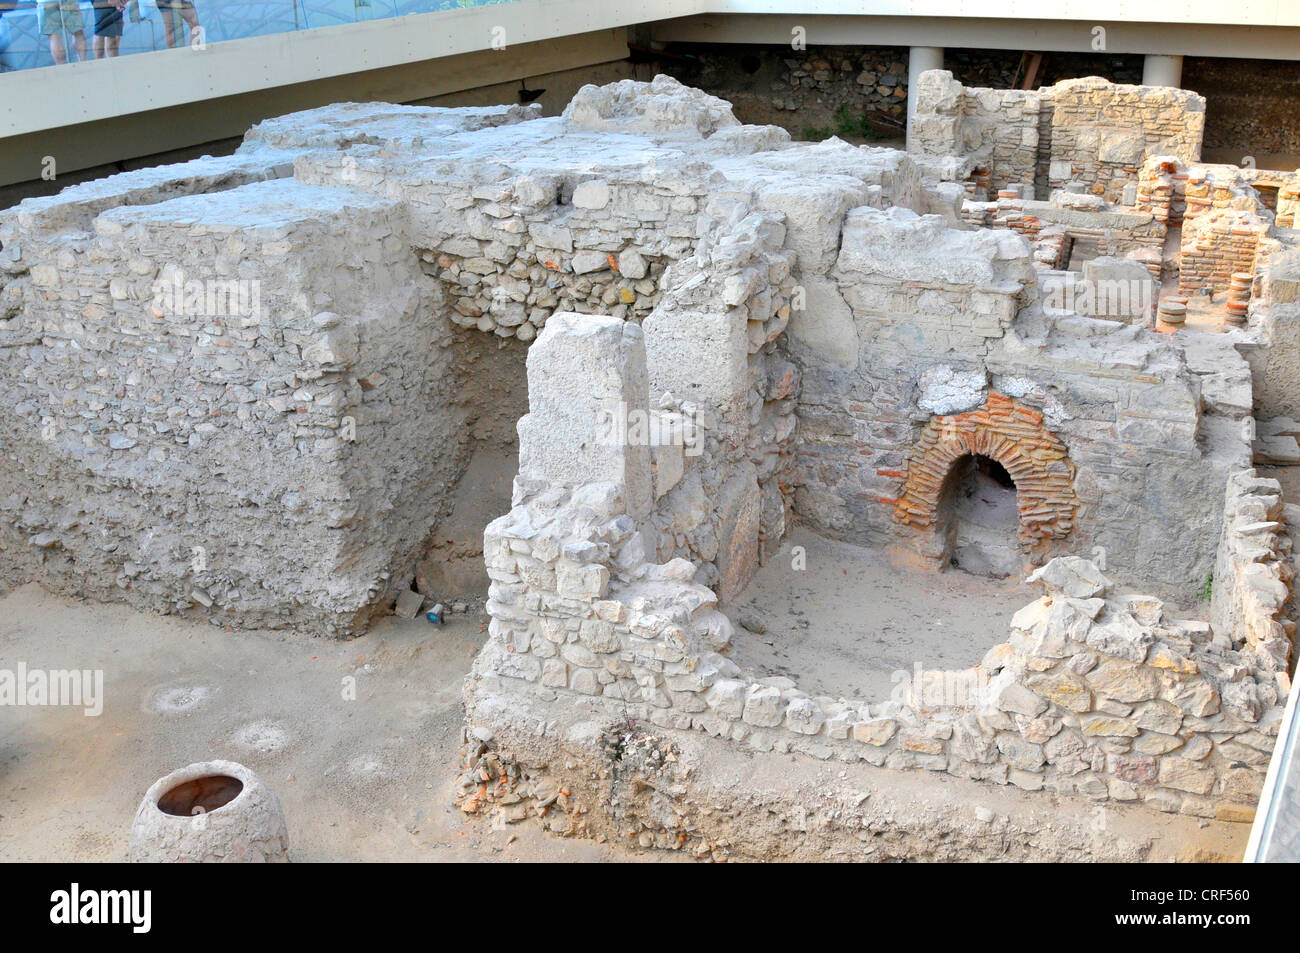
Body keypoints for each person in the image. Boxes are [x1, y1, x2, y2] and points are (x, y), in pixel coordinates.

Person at [38, 0, 89, 64]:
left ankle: (61, 67)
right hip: (68, 2)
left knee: (54, 37)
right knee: (78, 33)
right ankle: (83, 63)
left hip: (46, 2)